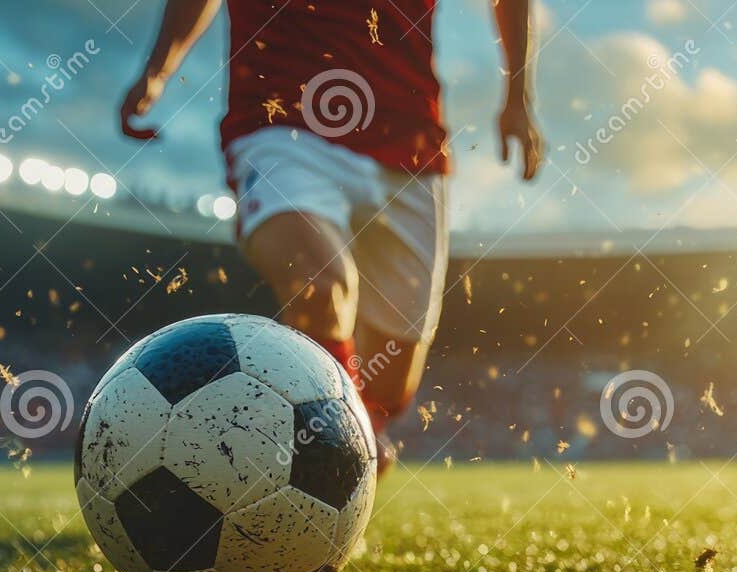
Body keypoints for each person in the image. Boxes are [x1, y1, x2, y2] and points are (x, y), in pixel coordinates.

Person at [119, 0, 542, 473]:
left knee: (387, 388)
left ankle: (352, 437)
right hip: (282, 117)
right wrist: (158, 68)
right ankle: (327, 452)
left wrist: (518, 95)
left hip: (408, 138)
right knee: (320, 284)